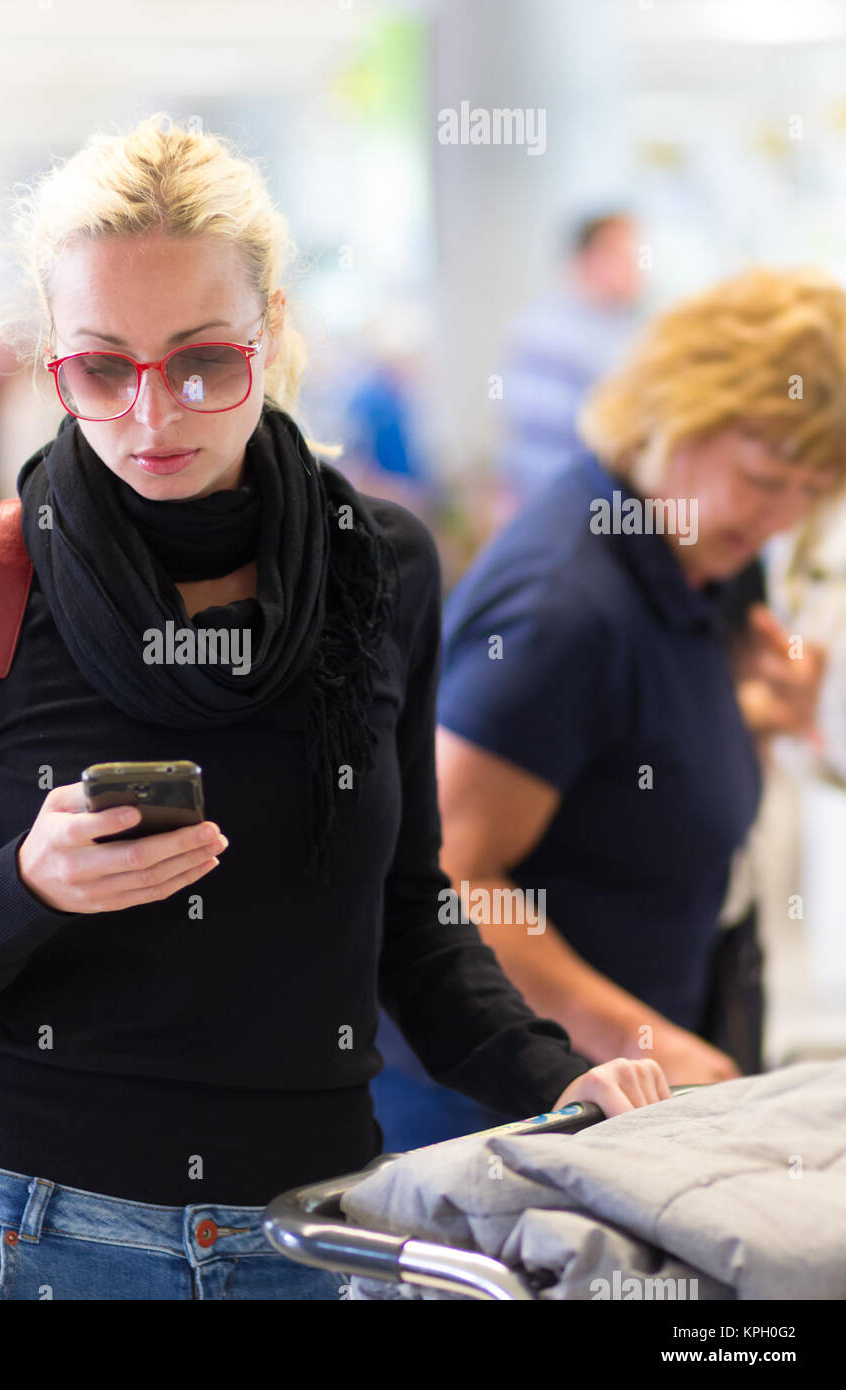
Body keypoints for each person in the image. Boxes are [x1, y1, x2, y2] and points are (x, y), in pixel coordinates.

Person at [0, 113, 669, 1302]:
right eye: (103, 368)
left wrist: (551, 1074)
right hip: (24, 1232)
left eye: (203, 360)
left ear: (273, 336)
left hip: (310, 1234)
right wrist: (25, 887)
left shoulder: (382, 571)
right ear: (50, 354)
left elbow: (407, 915)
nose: (153, 418)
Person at [372, 267, 844, 1150]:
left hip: (632, 1078)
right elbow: (453, 878)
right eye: (763, 477)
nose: (780, 516)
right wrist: (643, 1039)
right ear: (677, 415)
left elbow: (630, 755)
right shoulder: (563, 608)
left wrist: (754, 715)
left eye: (807, 490)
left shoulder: (698, 546)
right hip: (507, 1109)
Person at [495, 212, 643, 511]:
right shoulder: (549, 335)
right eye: (628, 255)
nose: (639, 269)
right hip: (566, 510)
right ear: (592, 258)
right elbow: (565, 444)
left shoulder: (617, 326)